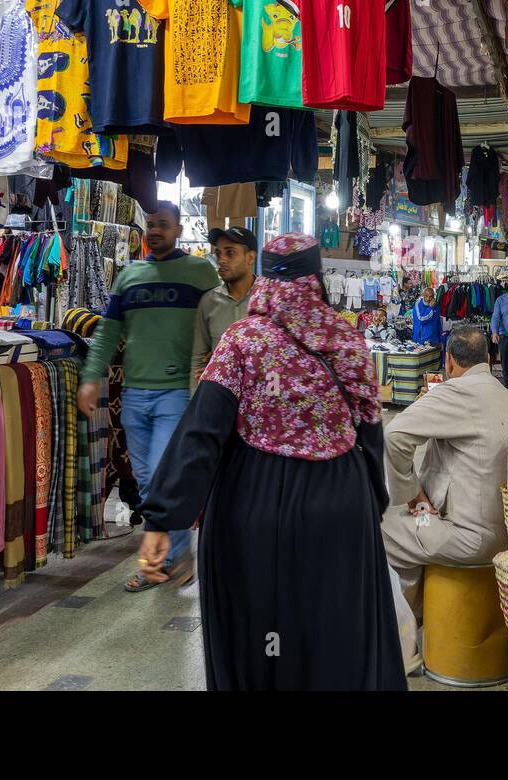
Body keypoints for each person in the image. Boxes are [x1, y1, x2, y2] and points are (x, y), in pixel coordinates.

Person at [136, 233, 407, 690]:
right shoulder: (347, 340)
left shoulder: (243, 341)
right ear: (316, 278)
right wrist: (373, 501)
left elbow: (202, 432)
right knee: (334, 629)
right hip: (339, 504)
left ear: (265, 277)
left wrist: (162, 517)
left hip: (253, 505)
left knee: (262, 631)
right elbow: (371, 431)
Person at [78, 201, 218, 591]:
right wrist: (91, 377)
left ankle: (163, 562)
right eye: (151, 224)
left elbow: (220, 319)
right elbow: (107, 331)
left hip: (177, 393)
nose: (155, 230)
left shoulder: (199, 272)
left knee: (161, 475)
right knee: (144, 482)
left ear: (177, 230)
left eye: (163, 225)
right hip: (134, 394)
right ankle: (176, 556)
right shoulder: (129, 275)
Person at [381, 324, 508, 670]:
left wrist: (414, 496)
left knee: (382, 523)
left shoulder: (456, 393)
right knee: (415, 525)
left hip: (469, 539)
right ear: (489, 360)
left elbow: (394, 436)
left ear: (448, 362)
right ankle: (421, 624)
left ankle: (399, 644)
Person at [190, 226, 257, 395]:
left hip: (257, 404)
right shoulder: (209, 302)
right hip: (220, 401)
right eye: (218, 253)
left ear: (250, 258)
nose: (222, 260)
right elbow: (198, 358)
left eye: (230, 253)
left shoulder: (268, 300)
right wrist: (196, 405)